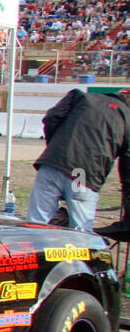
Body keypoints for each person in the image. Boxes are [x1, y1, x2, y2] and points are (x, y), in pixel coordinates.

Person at [28, 88, 130, 232]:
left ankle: (35, 249)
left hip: (51, 165)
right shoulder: (125, 116)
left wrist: (55, 146)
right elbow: (128, 159)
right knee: (80, 231)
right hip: (81, 174)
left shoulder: (82, 98)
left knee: (36, 224)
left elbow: (51, 118)